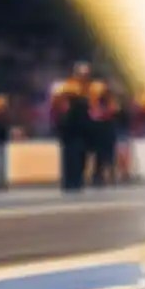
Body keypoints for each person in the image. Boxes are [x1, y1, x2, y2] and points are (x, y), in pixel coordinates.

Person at [51, 62, 93, 193]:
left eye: (86, 74)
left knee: (81, 156)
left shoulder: (88, 89)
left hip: (82, 128)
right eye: (82, 74)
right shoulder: (68, 87)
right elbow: (60, 107)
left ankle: (78, 181)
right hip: (70, 127)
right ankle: (70, 182)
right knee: (70, 155)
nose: (84, 77)